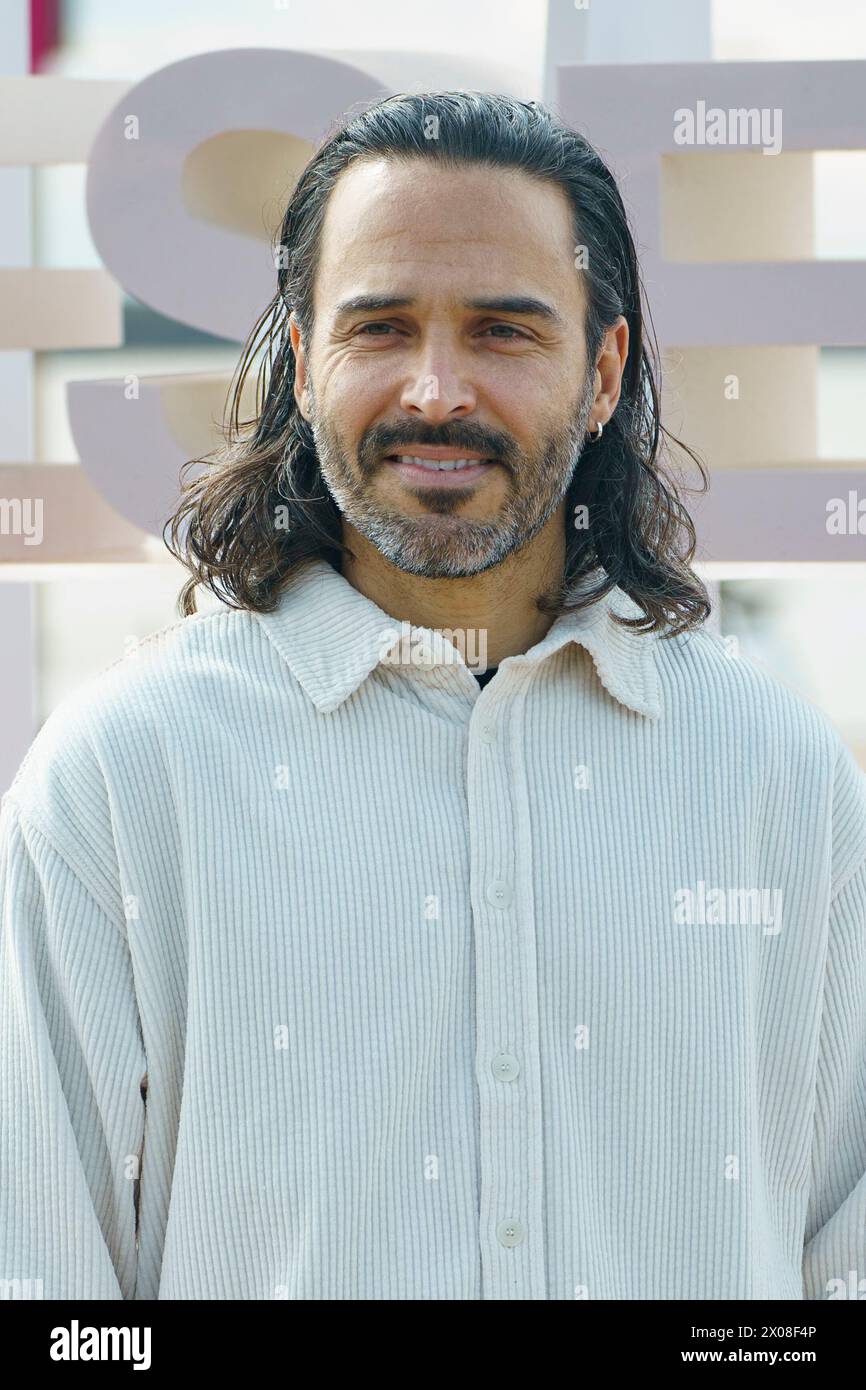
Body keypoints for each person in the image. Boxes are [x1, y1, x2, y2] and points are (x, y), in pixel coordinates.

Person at [1, 91, 864, 1301]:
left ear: (602, 370)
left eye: (505, 331)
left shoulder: (778, 777)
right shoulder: (121, 783)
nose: (435, 391)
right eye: (381, 328)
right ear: (303, 364)